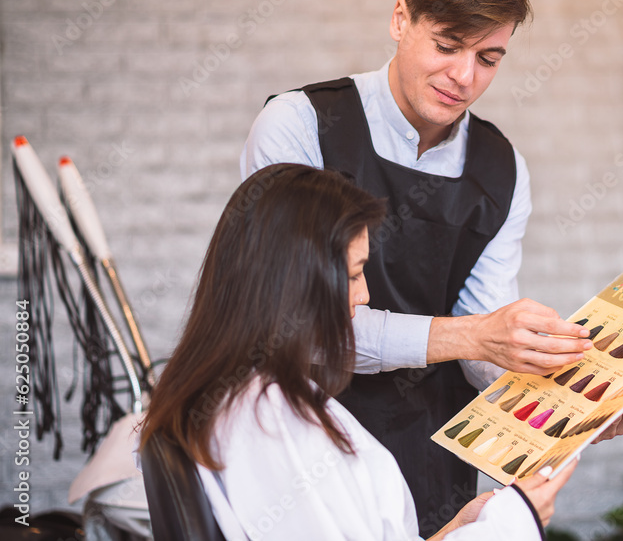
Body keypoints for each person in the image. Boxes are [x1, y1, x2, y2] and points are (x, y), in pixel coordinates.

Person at [240, 0, 623, 533]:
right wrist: (472, 337)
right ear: (401, 18)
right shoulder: (300, 127)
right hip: (306, 450)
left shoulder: (501, 170)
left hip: (434, 457)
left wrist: (577, 399)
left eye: (488, 58)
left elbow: (490, 350)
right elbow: (298, 333)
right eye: (448, 45)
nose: (464, 77)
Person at [140, 164, 577, 540]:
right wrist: (515, 520)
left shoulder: (235, 396)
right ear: (294, 281)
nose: (364, 295)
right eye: (352, 275)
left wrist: (462, 525)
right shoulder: (268, 416)